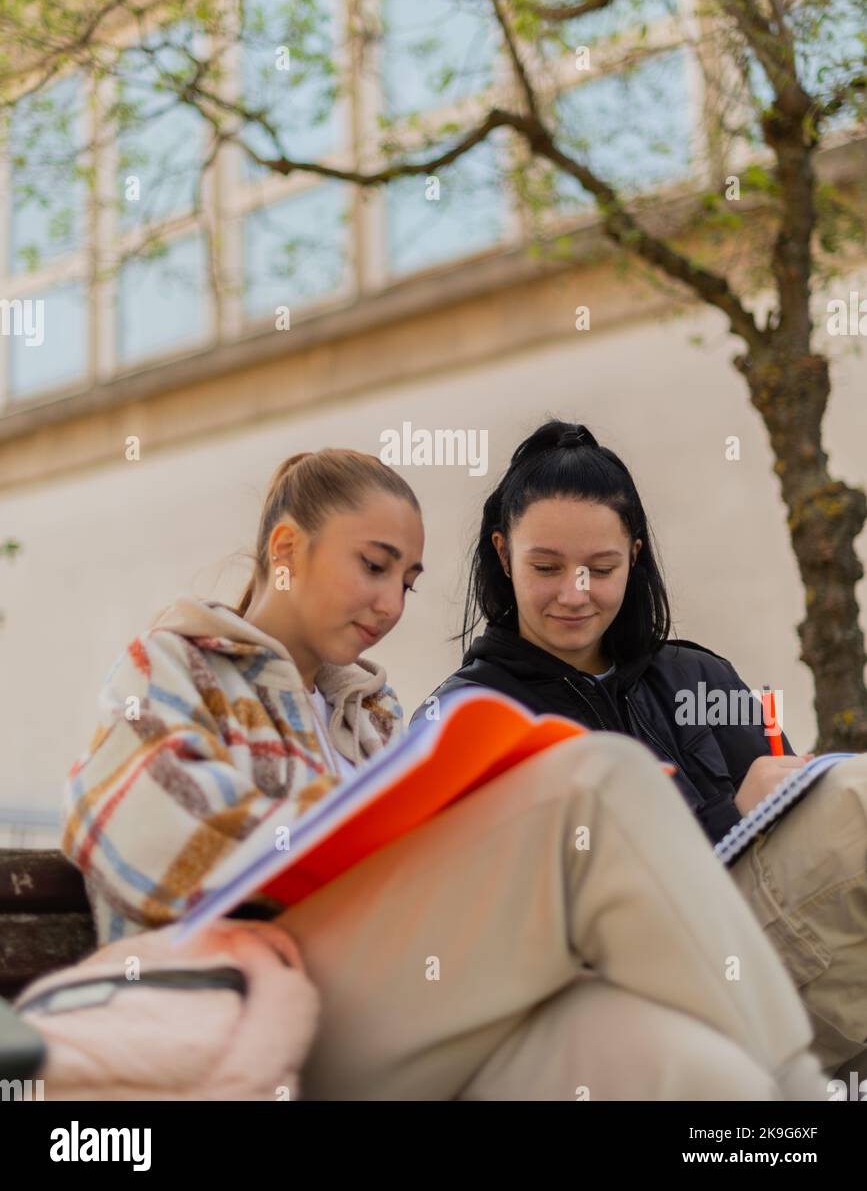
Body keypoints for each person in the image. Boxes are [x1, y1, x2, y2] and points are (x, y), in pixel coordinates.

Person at [61, 447, 826, 1101]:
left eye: (410, 581)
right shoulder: (173, 664)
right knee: (601, 780)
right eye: (373, 567)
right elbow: (146, 846)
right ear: (287, 550)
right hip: (263, 1011)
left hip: (421, 1014)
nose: (391, 603)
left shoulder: (377, 719)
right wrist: (370, 840)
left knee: (682, 1067)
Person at [411, 418, 867, 1085]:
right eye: (545, 567)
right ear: (502, 553)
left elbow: (809, 874)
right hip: (619, 998)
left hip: (775, 974)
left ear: (634, 555)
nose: (575, 592)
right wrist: (727, 817)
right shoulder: (466, 720)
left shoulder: (699, 677)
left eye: (601, 568)